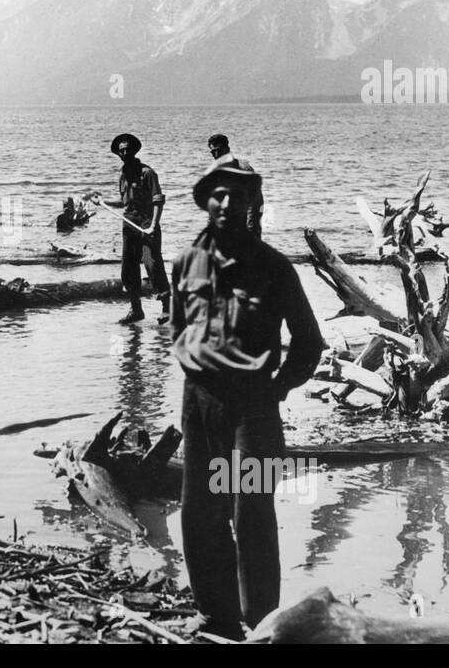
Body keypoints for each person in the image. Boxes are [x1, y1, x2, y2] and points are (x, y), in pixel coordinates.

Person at [170, 157, 324, 640]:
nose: (227, 203)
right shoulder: (184, 262)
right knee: (200, 510)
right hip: (198, 404)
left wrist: (277, 388)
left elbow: (309, 342)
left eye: (238, 195)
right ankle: (215, 616)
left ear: (254, 203)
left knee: (251, 511)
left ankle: (261, 623)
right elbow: (178, 328)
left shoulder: (273, 268)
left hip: (252, 409)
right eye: (218, 193)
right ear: (205, 199)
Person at [96, 133, 168, 325]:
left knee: (152, 264)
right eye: (121, 151)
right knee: (128, 268)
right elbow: (124, 203)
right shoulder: (123, 174)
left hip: (146, 225)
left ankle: (167, 308)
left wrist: (153, 225)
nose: (124, 153)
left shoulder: (147, 173)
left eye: (127, 149)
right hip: (129, 226)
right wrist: (102, 201)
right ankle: (136, 310)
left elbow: (158, 201)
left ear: (135, 150)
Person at [207, 134, 264, 240]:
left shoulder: (244, 170)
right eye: (213, 152)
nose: (216, 154)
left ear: (227, 149)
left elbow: (255, 203)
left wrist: (250, 230)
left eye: (219, 150)